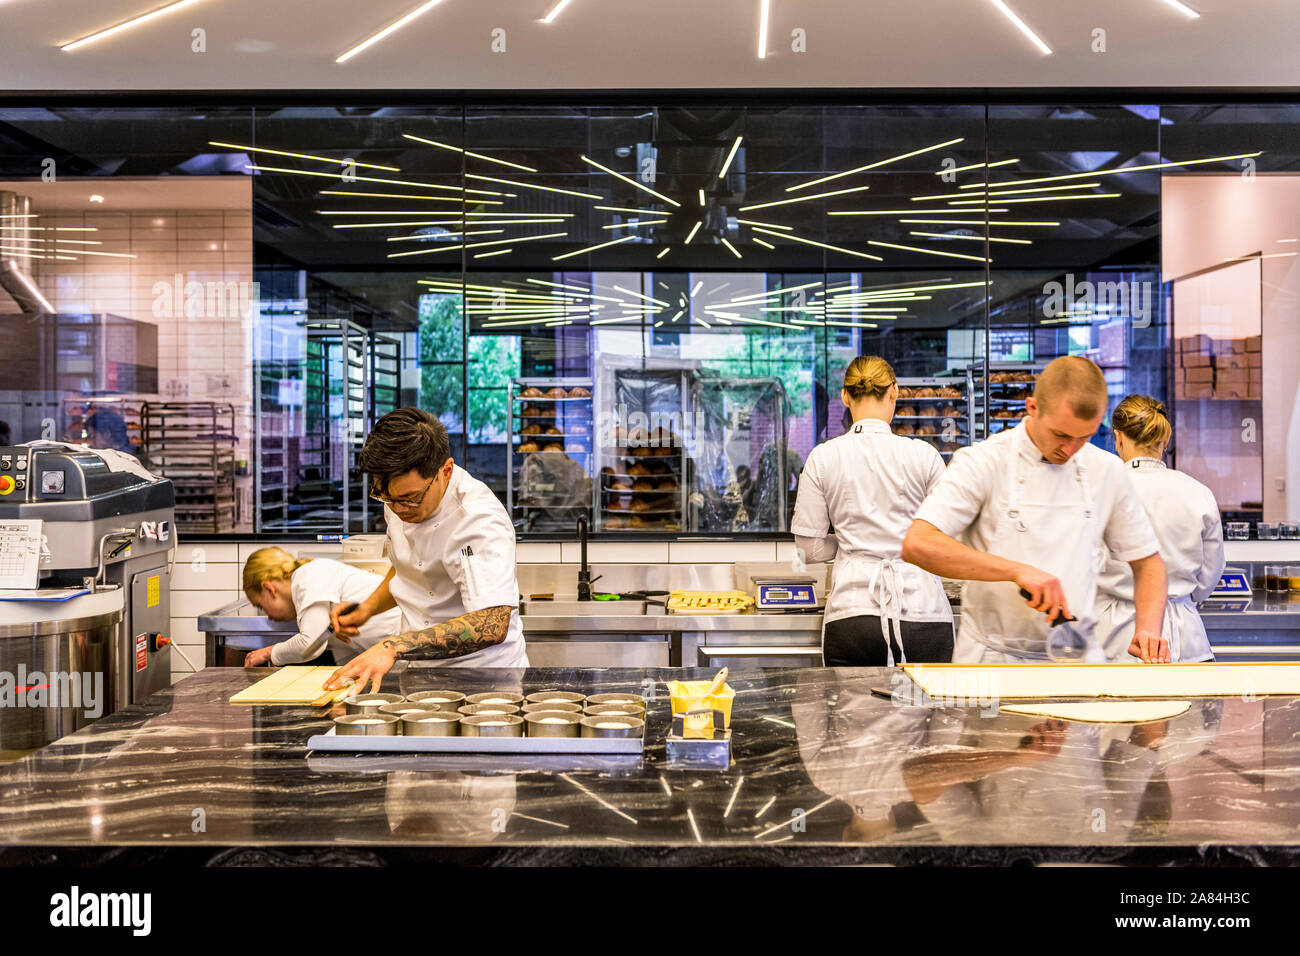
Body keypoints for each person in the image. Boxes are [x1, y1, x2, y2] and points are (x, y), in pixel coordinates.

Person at [901, 356, 1170, 663]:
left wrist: (1149, 628)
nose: (1070, 450)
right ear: (1032, 407)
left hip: (1076, 658)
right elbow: (918, 543)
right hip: (992, 660)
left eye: (1084, 438)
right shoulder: (983, 462)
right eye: (1061, 435)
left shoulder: (1106, 470)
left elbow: (1149, 562)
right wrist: (1016, 570)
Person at [324, 408, 529, 694]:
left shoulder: (479, 520)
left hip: (486, 681)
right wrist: (366, 609)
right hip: (421, 673)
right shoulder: (399, 498)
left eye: (410, 499)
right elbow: (409, 566)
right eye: (385, 497)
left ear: (445, 470)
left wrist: (393, 646)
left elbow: (491, 623)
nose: (397, 509)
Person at [792, 356, 954, 666]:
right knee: (928, 710)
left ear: (844, 396)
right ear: (894, 392)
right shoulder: (926, 456)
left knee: (852, 713)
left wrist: (852, 543)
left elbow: (808, 551)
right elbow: (945, 538)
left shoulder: (822, 457)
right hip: (924, 614)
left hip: (853, 616)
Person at [1096, 395, 1225, 662]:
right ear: (1165, 441)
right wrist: (1181, 597)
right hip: (1186, 641)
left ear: (1118, 439)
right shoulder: (1198, 492)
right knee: (1191, 705)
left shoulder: (1100, 490)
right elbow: (1209, 576)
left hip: (1117, 642)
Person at [240, 547, 403, 667]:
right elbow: (348, 661)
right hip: (397, 656)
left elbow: (309, 644)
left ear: (269, 589)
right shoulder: (319, 605)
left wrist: (268, 652)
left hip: (409, 645)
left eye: (260, 605)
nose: (268, 615)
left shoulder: (307, 575)